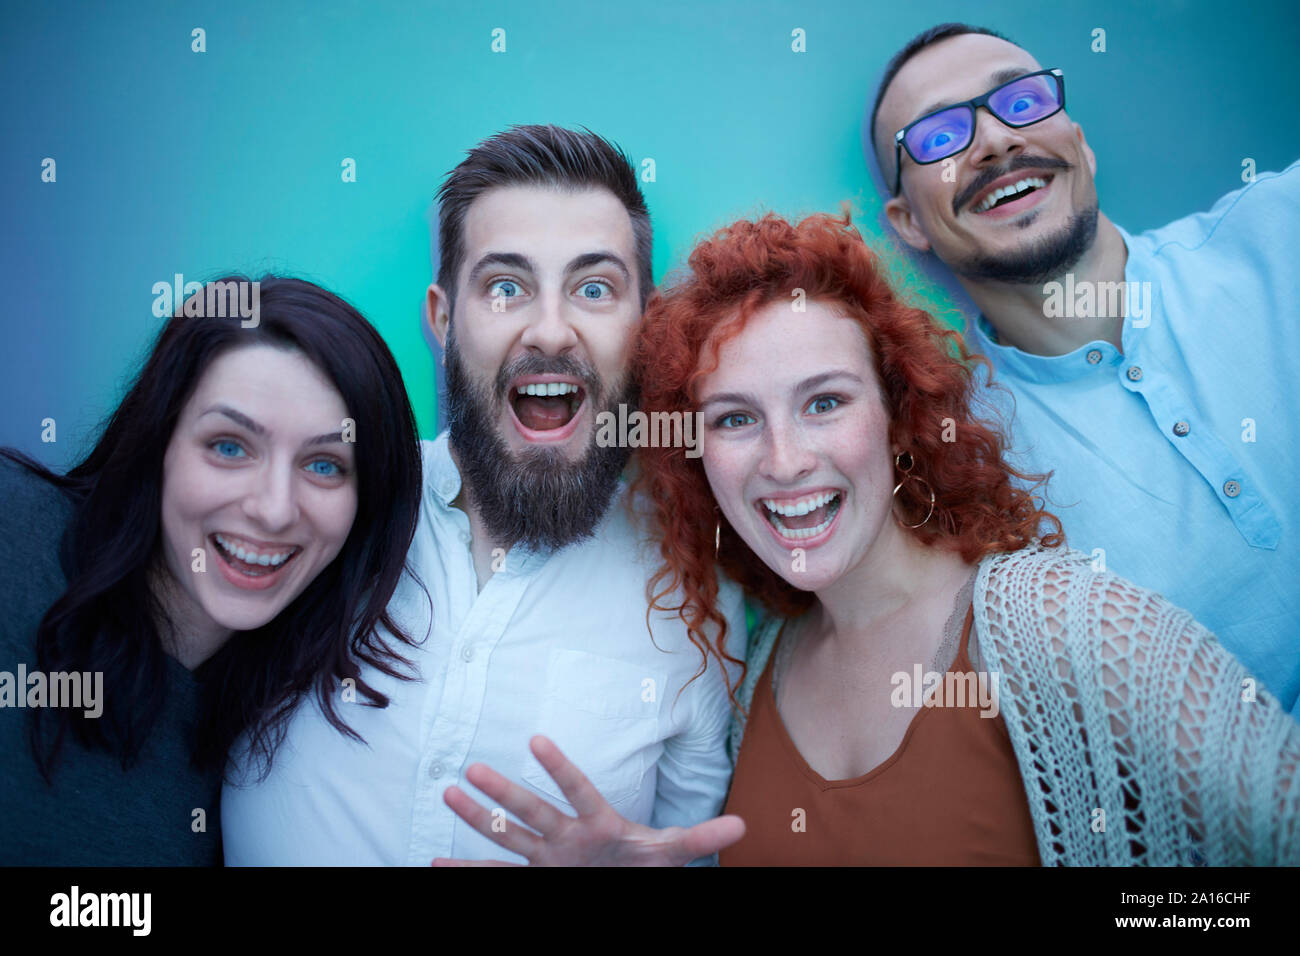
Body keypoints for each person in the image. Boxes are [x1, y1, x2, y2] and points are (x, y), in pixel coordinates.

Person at [435, 212, 1300, 866]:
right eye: (736, 419)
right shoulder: (755, 672)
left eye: (824, 402)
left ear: (899, 417)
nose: (785, 460)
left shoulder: (1062, 623)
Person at [219, 125, 747, 866]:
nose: (552, 330)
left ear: (647, 325)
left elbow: (684, 852)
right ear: (442, 320)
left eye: (594, 288)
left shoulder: (695, 594)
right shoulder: (328, 507)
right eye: (506, 286)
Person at [866, 23, 1300, 715]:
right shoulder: (958, 474)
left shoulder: (1284, 228)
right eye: (939, 138)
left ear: (1082, 144)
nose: (997, 140)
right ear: (908, 222)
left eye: (1022, 100)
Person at [0, 276, 424, 865]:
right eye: (229, 447)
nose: (273, 509)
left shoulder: (267, 768)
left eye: (324, 465)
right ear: (158, 443)